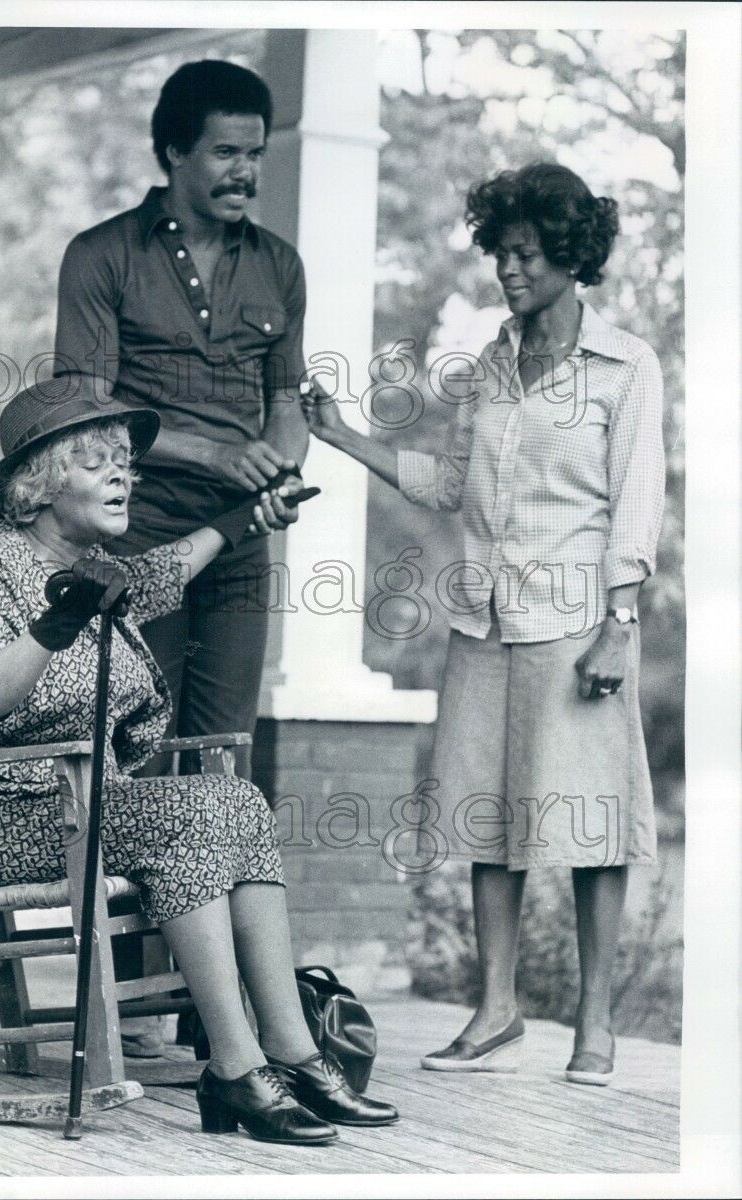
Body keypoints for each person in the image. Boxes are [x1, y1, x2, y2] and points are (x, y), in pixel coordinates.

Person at [0, 378, 396, 1142]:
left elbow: (165, 570)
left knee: (239, 802)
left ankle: (291, 1053)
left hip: (63, 805)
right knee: (189, 814)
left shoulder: (100, 568)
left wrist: (241, 519)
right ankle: (233, 1067)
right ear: (41, 485)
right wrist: (60, 621)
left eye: (126, 461)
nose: (125, 474)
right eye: (98, 463)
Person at [305, 162, 665, 1086]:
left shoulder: (626, 366)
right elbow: (452, 483)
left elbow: (635, 503)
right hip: (484, 620)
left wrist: (618, 622)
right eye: (499, 251)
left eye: (527, 253)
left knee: (591, 826)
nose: (507, 269)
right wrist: (345, 435)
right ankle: (495, 1009)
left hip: (577, 624)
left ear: (570, 257)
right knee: (483, 820)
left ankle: (592, 1027)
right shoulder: (486, 371)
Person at [53, 59, 310, 779]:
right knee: (131, 747)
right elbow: (83, 409)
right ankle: (125, 893)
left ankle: (208, 891)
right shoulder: (102, 255)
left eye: (254, 154)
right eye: (226, 152)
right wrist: (212, 454)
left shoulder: (280, 267)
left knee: (221, 755)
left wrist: (281, 470)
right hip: (134, 534)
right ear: (174, 151)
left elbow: (286, 406)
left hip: (236, 546)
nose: (245, 172)